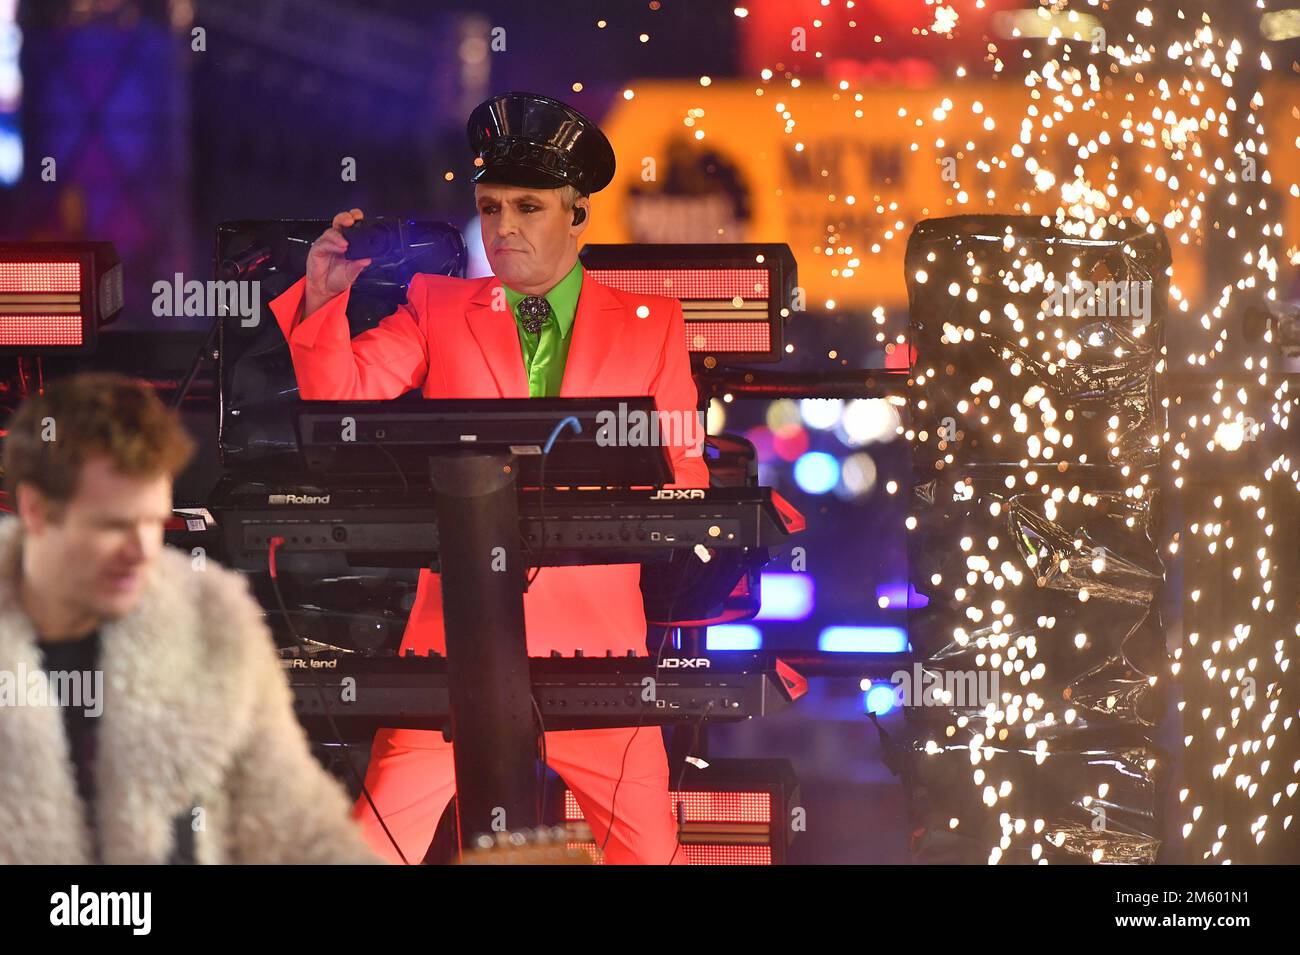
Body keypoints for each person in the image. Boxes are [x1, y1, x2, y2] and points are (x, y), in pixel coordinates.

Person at [268, 91, 708, 864]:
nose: (503, 226)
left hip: (600, 653)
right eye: (490, 206)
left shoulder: (655, 322)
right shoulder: (436, 305)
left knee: (654, 856)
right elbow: (342, 398)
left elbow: (686, 472)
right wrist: (323, 303)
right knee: (369, 848)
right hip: (451, 648)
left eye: (527, 207)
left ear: (579, 216)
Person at [0, 372, 381, 864]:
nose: (141, 552)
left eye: (153, 521)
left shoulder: (214, 619)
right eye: (113, 523)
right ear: (35, 509)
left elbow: (294, 813)